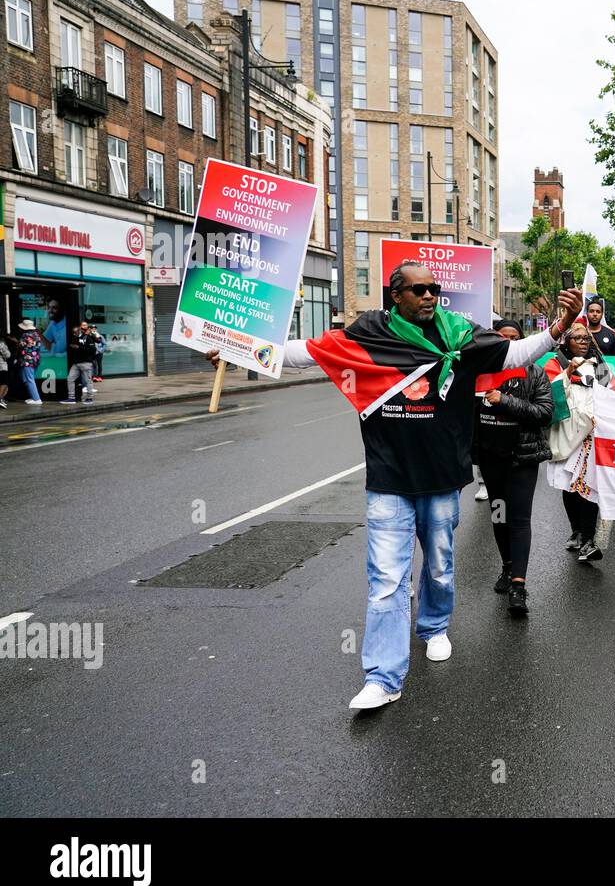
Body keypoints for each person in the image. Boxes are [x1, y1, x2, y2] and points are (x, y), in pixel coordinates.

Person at [208, 263, 582, 710]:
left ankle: (435, 627)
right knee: (387, 579)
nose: (429, 296)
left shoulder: (459, 335)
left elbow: (516, 354)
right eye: (419, 289)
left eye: (434, 289)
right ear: (396, 295)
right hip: (388, 478)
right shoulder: (369, 333)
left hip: (442, 477)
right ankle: (383, 677)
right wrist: (239, 351)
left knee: (440, 566)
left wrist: (560, 327)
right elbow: (306, 352)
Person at [474, 320, 554, 617]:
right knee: (499, 516)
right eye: (501, 338)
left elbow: (544, 414)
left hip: (521, 459)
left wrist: (504, 400)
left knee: (519, 519)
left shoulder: (535, 374)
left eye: (514, 338)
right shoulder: (480, 372)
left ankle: (519, 587)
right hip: (490, 459)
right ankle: (507, 568)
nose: (507, 343)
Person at [547, 322, 614, 562]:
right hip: (567, 433)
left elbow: (612, 394)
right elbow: (548, 398)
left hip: (593, 435)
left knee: (589, 488)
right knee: (570, 487)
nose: (583, 342)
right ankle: (576, 529)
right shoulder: (554, 364)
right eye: (577, 338)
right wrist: (567, 373)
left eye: (586, 338)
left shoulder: (601, 366)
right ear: (566, 341)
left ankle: (588, 540)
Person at [61, 321, 97, 405]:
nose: (74, 333)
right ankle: (71, 398)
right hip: (76, 363)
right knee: (70, 378)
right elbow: (72, 349)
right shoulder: (74, 338)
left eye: (76, 332)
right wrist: (73, 347)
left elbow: (92, 350)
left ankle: (89, 398)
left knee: (88, 381)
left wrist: (79, 347)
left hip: (86, 362)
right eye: (73, 332)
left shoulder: (88, 338)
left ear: (80, 330)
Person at [17, 319, 42, 404]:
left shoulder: (25, 335)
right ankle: (33, 397)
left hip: (27, 360)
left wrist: (14, 341)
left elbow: (20, 346)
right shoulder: (36, 335)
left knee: (29, 379)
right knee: (27, 378)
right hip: (35, 360)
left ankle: (36, 399)